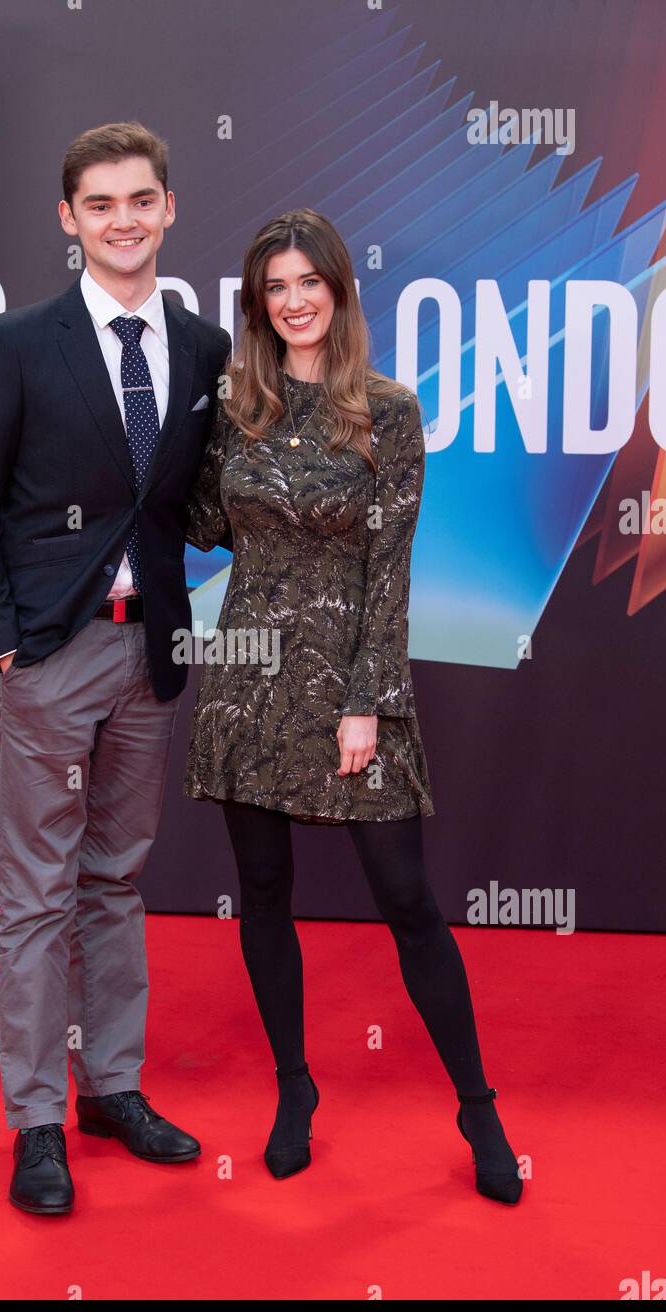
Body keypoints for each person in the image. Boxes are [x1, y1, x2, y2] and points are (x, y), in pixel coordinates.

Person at [183, 208, 522, 1204]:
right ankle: (294, 1086)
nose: (292, 301)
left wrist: (366, 700)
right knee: (264, 892)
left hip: (349, 685)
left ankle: (477, 1106)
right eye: (273, 287)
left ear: (338, 290)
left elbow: (389, 571)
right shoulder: (233, 407)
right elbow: (203, 522)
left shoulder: (387, 411)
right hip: (247, 681)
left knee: (407, 901)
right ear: (258, 303)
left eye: (307, 282)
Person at [0, 121, 231, 1216]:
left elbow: (196, 500)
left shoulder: (202, 347)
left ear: (167, 209)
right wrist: (9, 643)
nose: (122, 219)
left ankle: (111, 1085)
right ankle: (35, 1122)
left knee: (115, 880)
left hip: (148, 650)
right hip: (49, 658)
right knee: (35, 897)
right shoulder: (18, 343)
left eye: (140, 200)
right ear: (69, 220)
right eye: (99, 203)